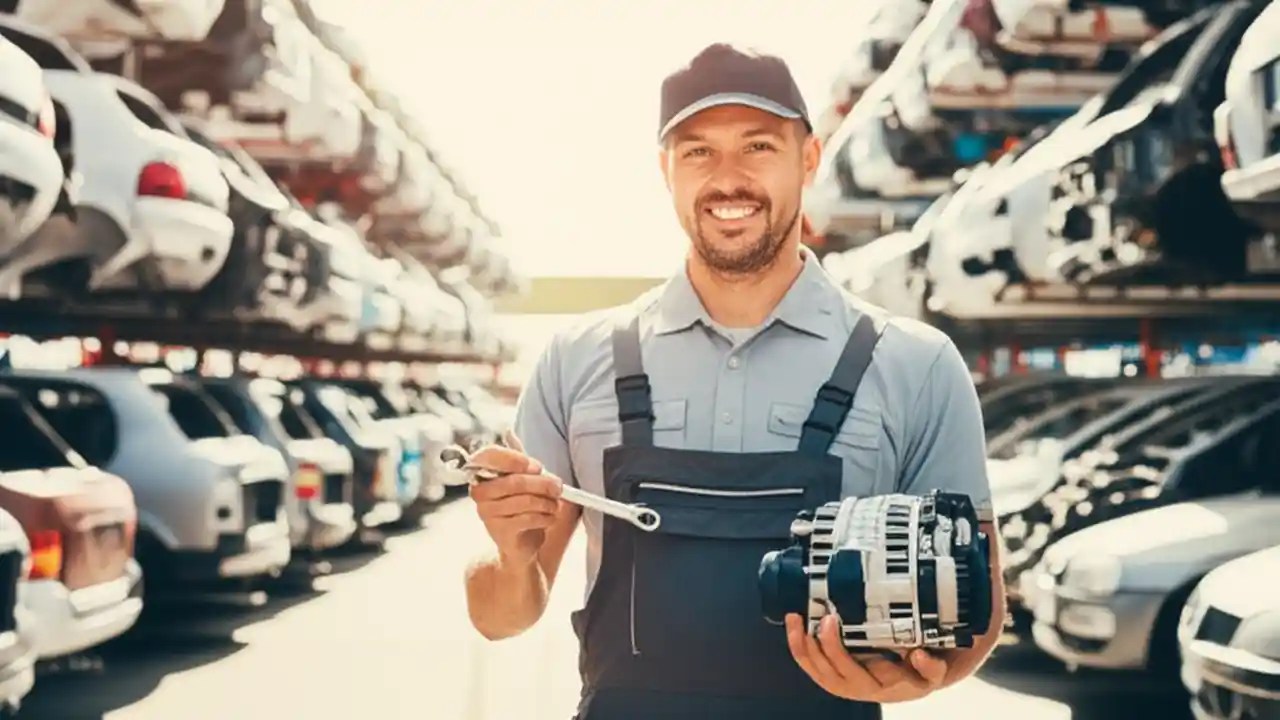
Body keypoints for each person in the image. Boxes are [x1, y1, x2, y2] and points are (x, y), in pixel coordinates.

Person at [462, 43, 1006, 720]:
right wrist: (513, 560)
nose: (728, 179)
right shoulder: (576, 358)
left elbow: (980, 607)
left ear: (808, 158)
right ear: (666, 170)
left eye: (757, 147)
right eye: (697, 152)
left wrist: (917, 680)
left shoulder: (916, 365)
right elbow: (498, 619)